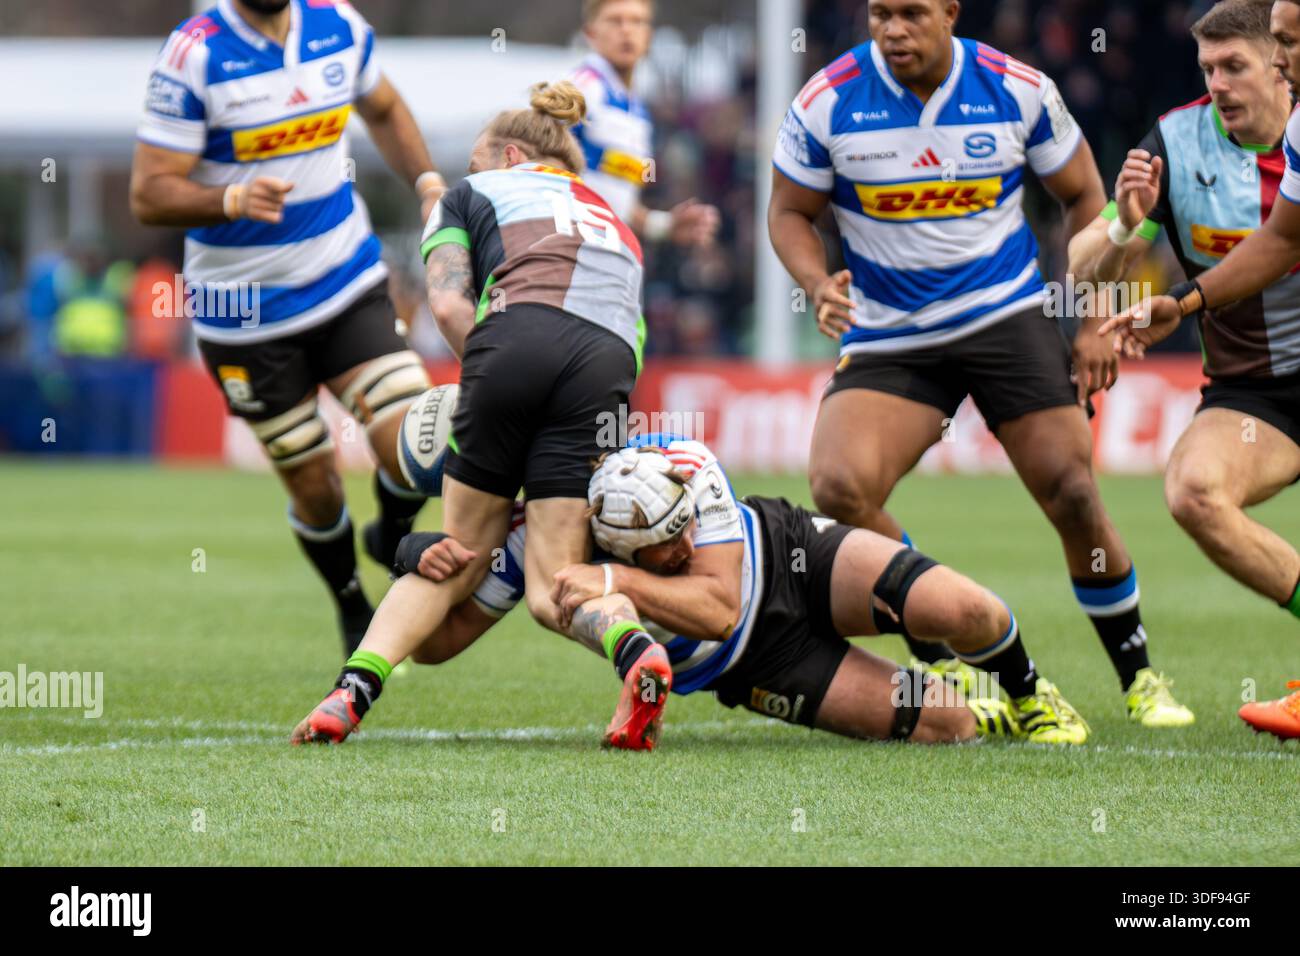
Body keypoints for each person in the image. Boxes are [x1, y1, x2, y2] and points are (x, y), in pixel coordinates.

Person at [766, 0, 1194, 727]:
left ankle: (1140, 678)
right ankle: (944, 656)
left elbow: (1087, 198)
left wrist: (1092, 317)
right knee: (839, 485)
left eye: (910, 14)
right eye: (879, 14)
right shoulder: (828, 100)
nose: (892, 30)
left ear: (950, 14)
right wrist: (816, 284)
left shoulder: (1016, 88)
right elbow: (787, 212)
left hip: (1006, 318)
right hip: (891, 335)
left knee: (1071, 490)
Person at [292, 81, 669, 745]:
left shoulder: (466, 196)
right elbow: (628, 343)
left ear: (512, 153)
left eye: (474, 160)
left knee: (457, 553)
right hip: (607, 369)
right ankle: (635, 649)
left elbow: (445, 305)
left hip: (514, 339)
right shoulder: (616, 219)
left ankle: (349, 694)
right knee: (554, 584)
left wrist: (493, 381)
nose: (467, 172)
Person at [352, 435, 1093, 748]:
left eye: (679, 532)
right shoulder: (532, 543)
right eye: (659, 545)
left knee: (965, 610)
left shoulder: (684, 461)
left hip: (792, 556)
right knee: (948, 726)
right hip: (755, 668)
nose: (679, 547)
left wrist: (616, 577)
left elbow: (720, 604)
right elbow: (443, 643)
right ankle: (987, 708)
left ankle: (1028, 689)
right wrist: (425, 558)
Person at [130, 0, 445, 654]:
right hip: (244, 317)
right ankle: (351, 603)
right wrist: (228, 198)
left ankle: (390, 533)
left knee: (417, 446)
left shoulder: (339, 26)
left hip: (344, 279)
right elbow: (148, 192)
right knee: (315, 484)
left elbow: (383, 107)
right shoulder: (195, 54)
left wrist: (427, 182)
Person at [1100, 0, 1300, 740]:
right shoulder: (1175, 143)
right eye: (1206, 68)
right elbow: (1086, 260)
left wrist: (1182, 304)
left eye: (1236, 64)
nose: (1218, 82)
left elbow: (1279, 243)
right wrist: (1126, 228)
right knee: (1193, 492)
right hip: (1256, 395)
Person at [568, 0, 719, 245]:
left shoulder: (636, 109)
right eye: (615, 20)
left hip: (611, 257)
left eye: (637, 21)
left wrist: (665, 226)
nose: (626, 30)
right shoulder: (582, 89)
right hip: (573, 255)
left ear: (648, 35)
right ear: (591, 33)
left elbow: (618, 200)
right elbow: (538, 167)